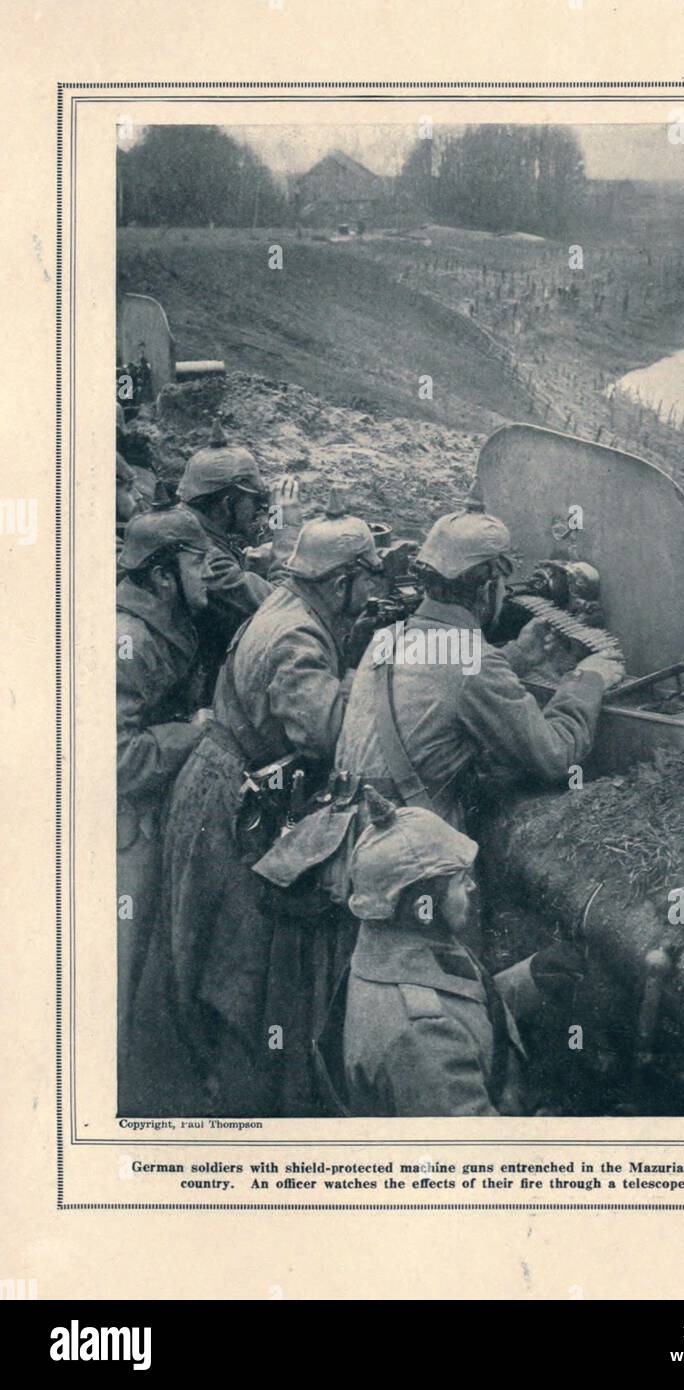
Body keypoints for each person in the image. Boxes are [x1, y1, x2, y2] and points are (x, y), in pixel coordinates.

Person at [156, 493, 385, 1117]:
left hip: (224, 786)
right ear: (340, 583)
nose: (370, 594)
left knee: (213, 953)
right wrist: (374, 670)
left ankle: (224, 1085)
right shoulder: (297, 639)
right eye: (366, 580)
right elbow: (329, 733)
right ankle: (243, 1106)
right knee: (242, 969)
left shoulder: (290, 603)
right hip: (234, 805)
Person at [321, 503, 625, 924]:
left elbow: (440, 680)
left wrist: (517, 654)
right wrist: (587, 680)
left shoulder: (388, 639)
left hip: (349, 843)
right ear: (487, 590)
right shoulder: (473, 662)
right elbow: (553, 757)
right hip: (416, 865)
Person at [316, 786, 586, 1116]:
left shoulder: (398, 946)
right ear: (423, 905)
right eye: (459, 881)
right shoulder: (423, 1039)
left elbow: (460, 1008)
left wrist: (529, 979)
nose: (472, 886)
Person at [116, 507, 214, 1100]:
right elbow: (115, 757)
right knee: (121, 974)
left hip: (148, 819)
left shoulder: (162, 620)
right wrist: (193, 731)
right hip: (122, 830)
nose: (207, 575)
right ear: (161, 576)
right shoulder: (128, 638)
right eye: (197, 563)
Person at [176, 422, 303, 697]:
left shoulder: (184, 526)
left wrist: (249, 569)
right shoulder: (207, 560)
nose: (259, 508)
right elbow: (287, 605)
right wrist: (286, 527)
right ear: (225, 504)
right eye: (253, 501)